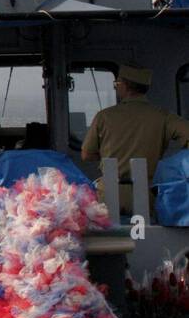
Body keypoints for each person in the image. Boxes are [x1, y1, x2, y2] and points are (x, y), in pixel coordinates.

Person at [81, 64, 189, 220]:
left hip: (109, 195)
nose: (116, 88)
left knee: (109, 238)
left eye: (116, 84)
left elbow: (86, 155)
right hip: (147, 194)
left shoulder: (104, 116)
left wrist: (110, 153)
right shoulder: (163, 117)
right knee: (147, 236)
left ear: (126, 87)